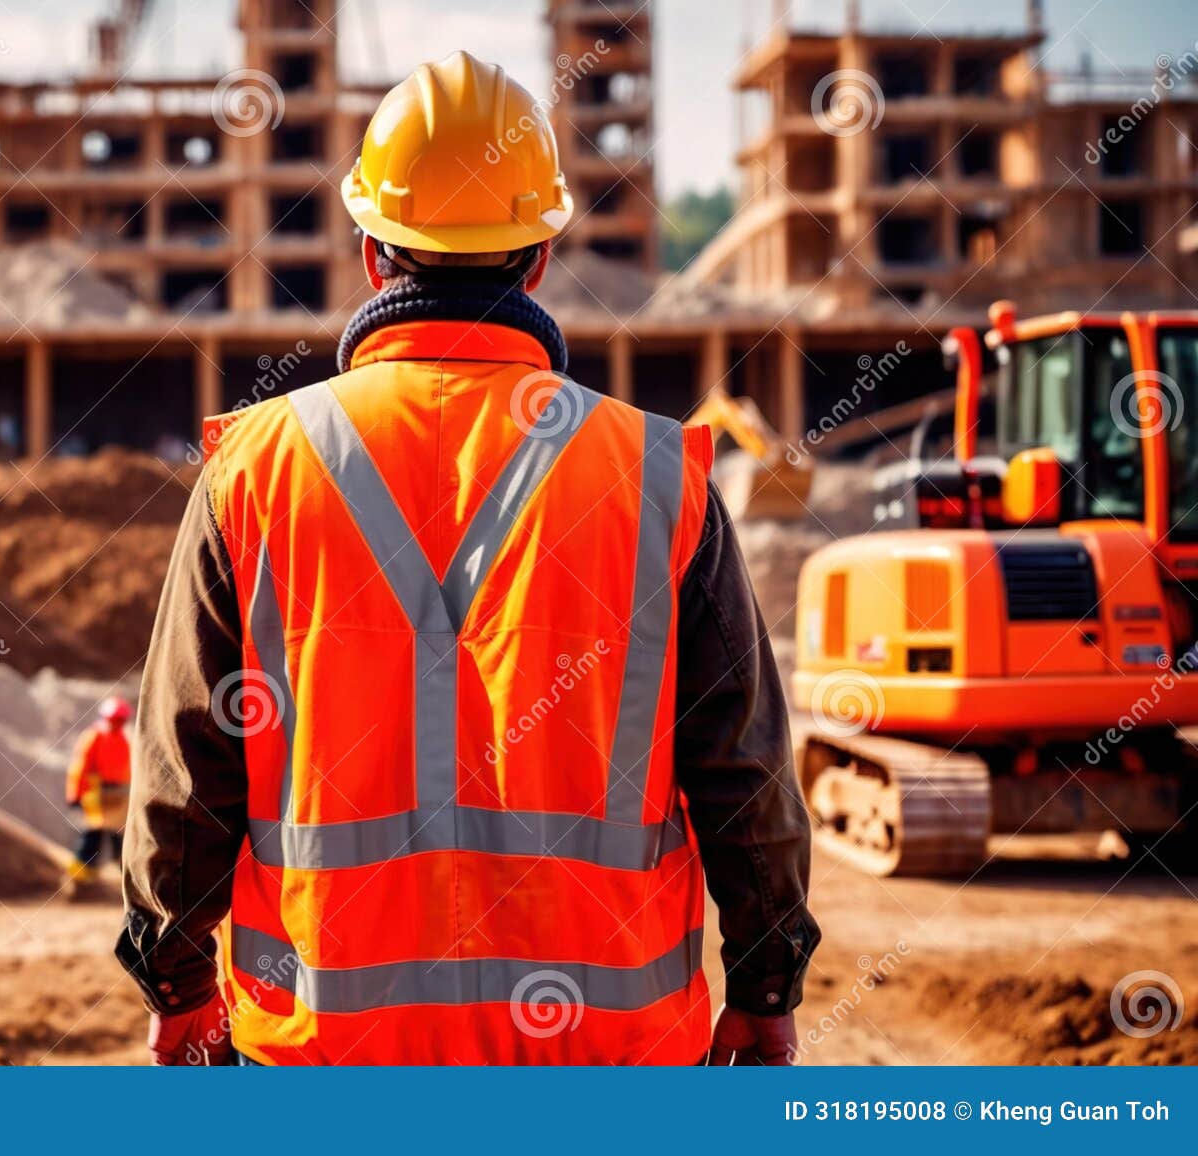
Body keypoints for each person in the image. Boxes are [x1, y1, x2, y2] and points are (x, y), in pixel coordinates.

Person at [117, 51, 819, 1065]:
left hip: (325, 1060)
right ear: (536, 258)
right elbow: (741, 771)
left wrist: (176, 983)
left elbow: (187, 766)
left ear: (371, 256)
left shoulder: (253, 472)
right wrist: (764, 983)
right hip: (605, 1061)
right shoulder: (660, 477)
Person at [65, 696, 133, 889]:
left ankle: (125, 878)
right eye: (114, 720)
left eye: (120, 720)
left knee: (118, 837)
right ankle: (80, 880)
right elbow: (80, 767)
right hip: (95, 792)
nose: (116, 724)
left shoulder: (122, 740)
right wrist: (75, 793)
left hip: (116, 795)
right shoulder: (94, 737)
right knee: (93, 834)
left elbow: (125, 771)